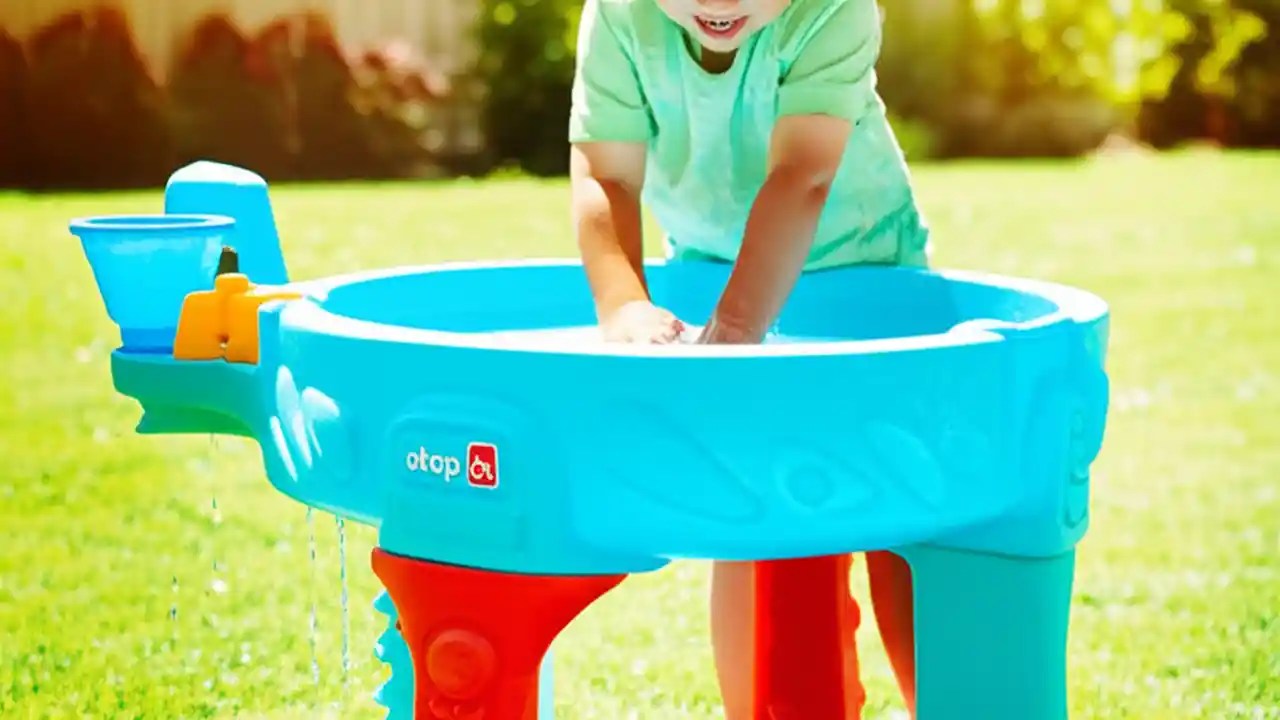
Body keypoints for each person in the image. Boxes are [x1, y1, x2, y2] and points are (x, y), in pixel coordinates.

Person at [567, 0, 925, 716]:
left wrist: (734, 330)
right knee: (754, 522)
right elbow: (607, 175)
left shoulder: (834, 11)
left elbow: (803, 176)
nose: (719, 2)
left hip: (867, 286)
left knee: (904, 523)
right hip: (713, 270)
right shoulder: (620, 15)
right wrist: (625, 306)